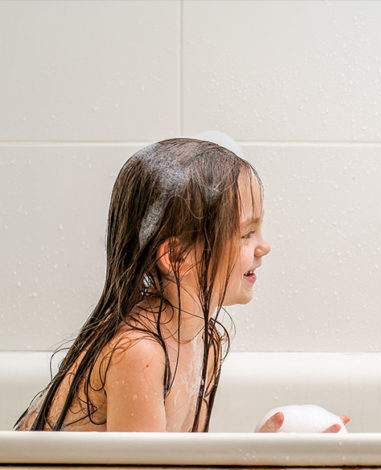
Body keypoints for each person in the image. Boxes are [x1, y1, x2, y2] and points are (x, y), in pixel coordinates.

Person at [14, 137, 345, 432]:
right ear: (175, 257)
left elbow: (184, 465)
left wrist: (259, 456)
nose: (264, 246)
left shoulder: (207, 341)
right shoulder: (140, 353)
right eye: (246, 234)